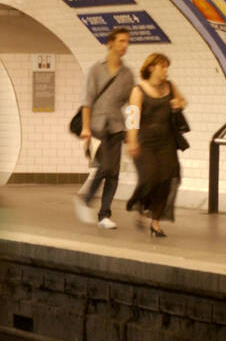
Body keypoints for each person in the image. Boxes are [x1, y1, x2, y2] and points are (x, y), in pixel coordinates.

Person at [74, 27, 134, 229]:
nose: (124, 45)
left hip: (117, 127)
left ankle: (104, 215)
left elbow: (132, 104)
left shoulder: (127, 74)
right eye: (121, 41)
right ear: (110, 43)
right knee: (105, 167)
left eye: (127, 42)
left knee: (113, 171)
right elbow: (87, 100)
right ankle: (86, 199)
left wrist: (133, 132)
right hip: (97, 126)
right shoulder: (96, 69)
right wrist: (85, 127)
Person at [125, 52, 186, 238]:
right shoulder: (138, 90)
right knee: (150, 178)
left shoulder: (170, 86)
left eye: (167, 66)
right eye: (163, 66)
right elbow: (132, 118)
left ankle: (155, 222)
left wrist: (178, 104)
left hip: (167, 141)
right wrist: (132, 140)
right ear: (152, 67)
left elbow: (183, 101)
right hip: (146, 142)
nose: (166, 70)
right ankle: (140, 205)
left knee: (166, 181)